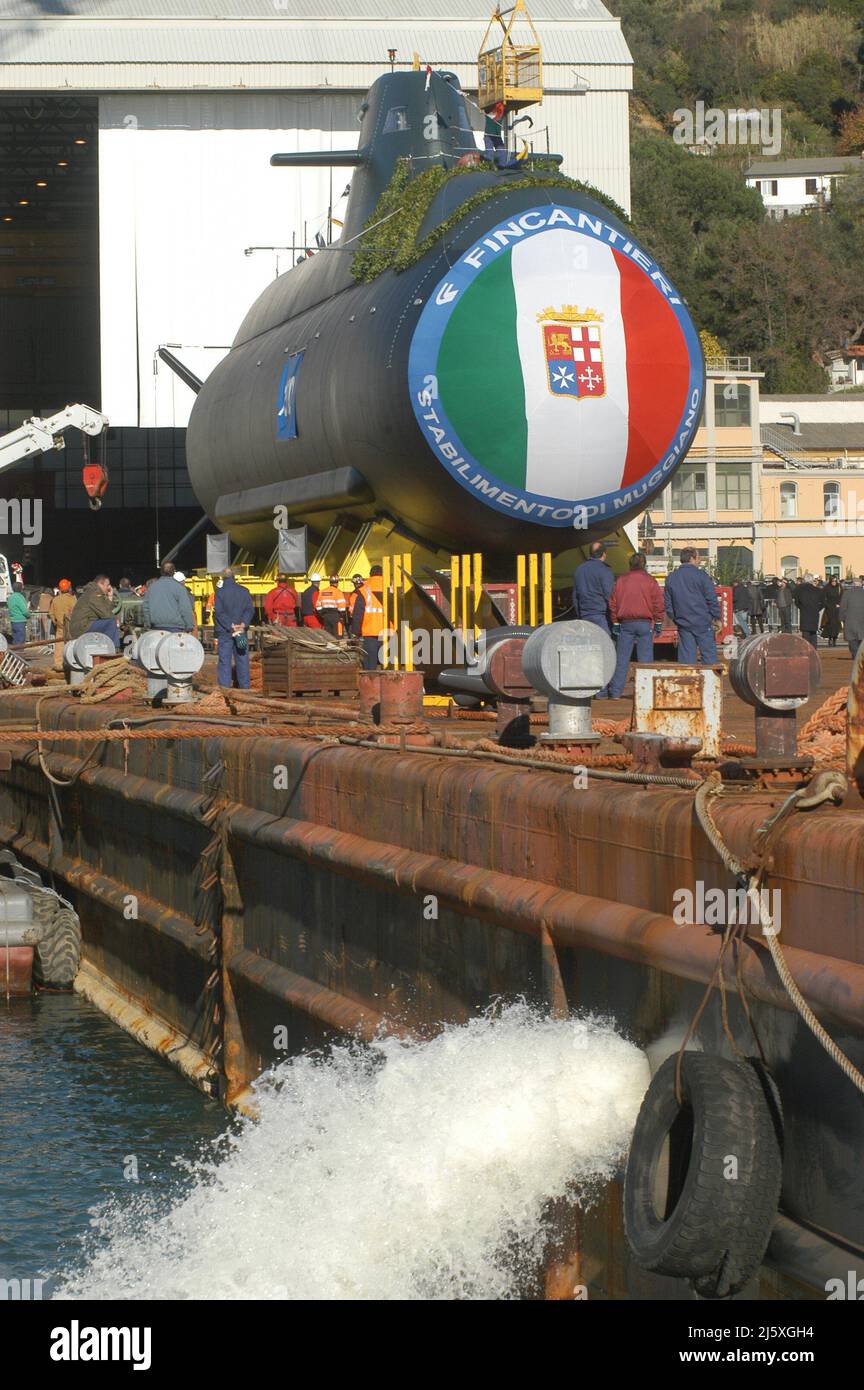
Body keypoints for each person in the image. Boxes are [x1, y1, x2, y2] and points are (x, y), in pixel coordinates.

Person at [607, 553, 665, 698]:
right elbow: (658, 603)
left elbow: (613, 603)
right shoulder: (650, 581)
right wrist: (658, 622)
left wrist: (615, 621)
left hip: (625, 624)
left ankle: (615, 692)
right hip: (645, 624)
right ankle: (645, 693)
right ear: (644, 564)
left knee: (621, 660)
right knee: (645, 660)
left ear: (630, 564)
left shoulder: (620, 580)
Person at [572, 542, 615, 696]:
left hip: (585, 615)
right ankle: (603, 691)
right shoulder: (605, 571)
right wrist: (615, 618)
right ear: (604, 554)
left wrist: (580, 614)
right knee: (605, 653)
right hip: (601, 616)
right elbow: (610, 596)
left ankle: (591, 689)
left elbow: (575, 596)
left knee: (588, 654)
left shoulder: (579, 570)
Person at [663, 549, 721, 664]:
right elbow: (711, 599)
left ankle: (688, 681)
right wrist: (716, 617)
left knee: (686, 661)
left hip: (683, 623)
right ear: (691, 558)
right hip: (703, 622)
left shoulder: (671, 578)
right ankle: (709, 681)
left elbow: (668, 603)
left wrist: (675, 617)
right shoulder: (702, 576)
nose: (699, 560)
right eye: (698, 557)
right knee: (709, 659)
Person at [213, 567, 254, 688]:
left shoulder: (219, 593)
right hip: (241, 631)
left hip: (226, 632)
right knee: (242, 660)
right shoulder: (244, 591)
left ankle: (224, 690)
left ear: (222, 578)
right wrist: (243, 624)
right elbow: (249, 610)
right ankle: (245, 689)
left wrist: (230, 625)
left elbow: (219, 613)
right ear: (234, 577)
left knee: (225, 661)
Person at [141, 560, 197, 634]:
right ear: (174, 572)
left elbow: (146, 607)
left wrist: (148, 624)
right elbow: (185, 608)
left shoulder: (151, 588)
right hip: (176, 628)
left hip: (156, 628)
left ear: (161, 572)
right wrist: (189, 626)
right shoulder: (179, 588)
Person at [68, 574, 121, 649]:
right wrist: (117, 620)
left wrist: (110, 597)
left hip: (84, 625)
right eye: (107, 585)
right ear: (100, 584)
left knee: (110, 621)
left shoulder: (94, 592)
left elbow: (106, 610)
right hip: (82, 627)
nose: (109, 587)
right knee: (111, 622)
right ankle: (113, 649)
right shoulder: (94, 594)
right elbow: (105, 614)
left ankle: (105, 647)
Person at [351, 563, 385, 670]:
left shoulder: (363, 590)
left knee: (370, 666)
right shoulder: (390, 586)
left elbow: (358, 614)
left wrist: (356, 632)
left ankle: (371, 684)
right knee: (389, 666)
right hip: (388, 632)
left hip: (370, 633)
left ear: (370, 575)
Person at [49, 578, 76, 671]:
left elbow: (51, 613)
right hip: (70, 627)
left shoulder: (55, 600)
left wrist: (55, 622)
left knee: (59, 646)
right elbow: (75, 613)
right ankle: (71, 663)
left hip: (60, 627)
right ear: (69, 588)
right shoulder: (72, 599)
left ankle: (58, 664)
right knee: (71, 645)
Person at [793, 574, 823, 649]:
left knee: (806, 633)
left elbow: (796, 602)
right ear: (812, 580)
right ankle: (814, 650)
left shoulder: (800, 590)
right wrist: (817, 608)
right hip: (814, 614)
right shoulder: (817, 590)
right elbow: (823, 602)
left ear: (804, 580)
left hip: (805, 614)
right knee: (813, 633)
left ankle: (806, 650)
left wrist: (802, 608)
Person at [840, 578, 864, 658]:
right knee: (861, 638)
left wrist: (842, 618)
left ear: (853, 584)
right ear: (861, 584)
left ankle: (855, 654)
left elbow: (843, 607)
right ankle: (859, 655)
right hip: (862, 620)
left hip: (850, 620)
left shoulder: (846, 593)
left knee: (852, 639)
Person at [820, 576, 842, 647]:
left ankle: (835, 639)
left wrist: (839, 604)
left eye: (835, 581)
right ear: (830, 581)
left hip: (837, 609)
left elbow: (842, 596)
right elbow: (823, 598)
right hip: (829, 609)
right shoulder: (826, 588)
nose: (834, 582)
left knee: (836, 625)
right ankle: (830, 639)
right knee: (829, 624)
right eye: (833, 581)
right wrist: (827, 605)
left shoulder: (839, 587)